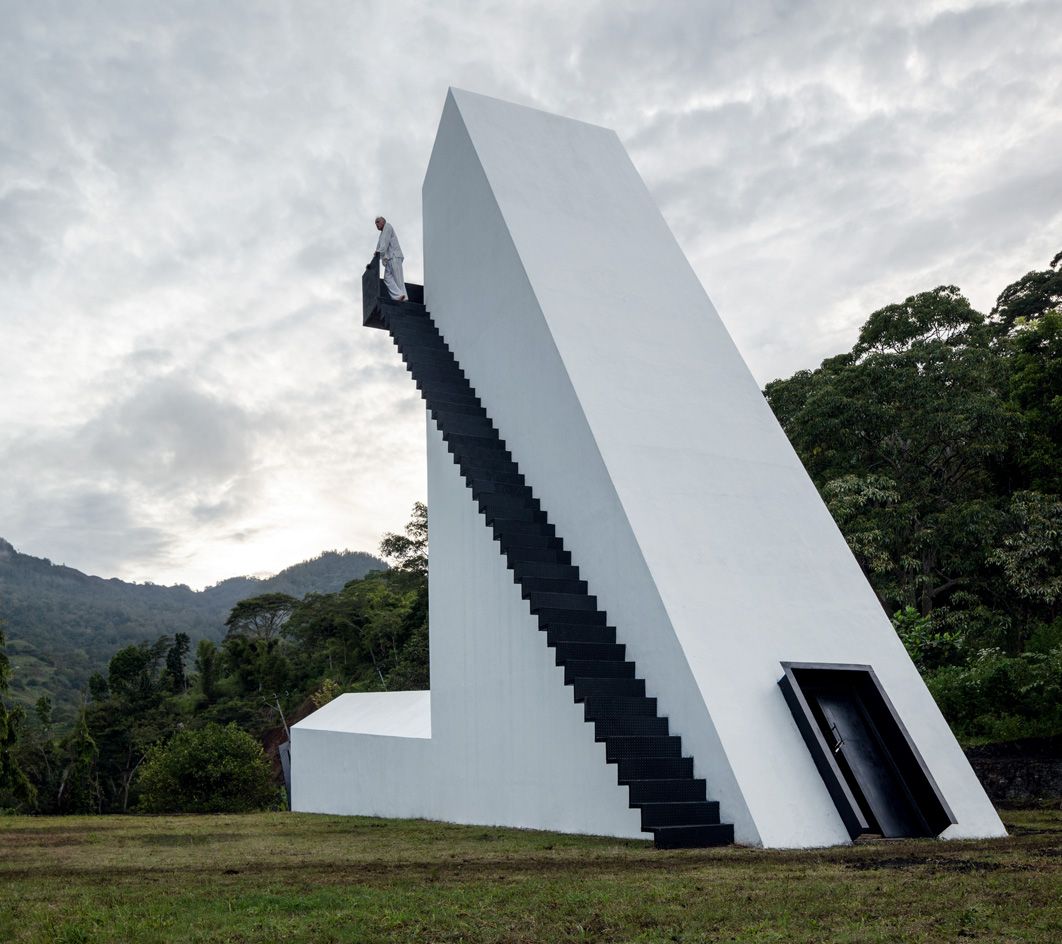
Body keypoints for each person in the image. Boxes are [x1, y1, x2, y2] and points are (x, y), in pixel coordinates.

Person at [374, 216, 407, 302]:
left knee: (398, 279)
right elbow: (379, 247)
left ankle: (403, 297)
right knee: (387, 278)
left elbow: (384, 243)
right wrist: (376, 255)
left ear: (383, 222)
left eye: (378, 222)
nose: (376, 224)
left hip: (394, 256)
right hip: (389, 259)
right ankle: (399, 295)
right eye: (375, 223)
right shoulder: (381, 234)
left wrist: (378, 252)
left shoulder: (387, 227)